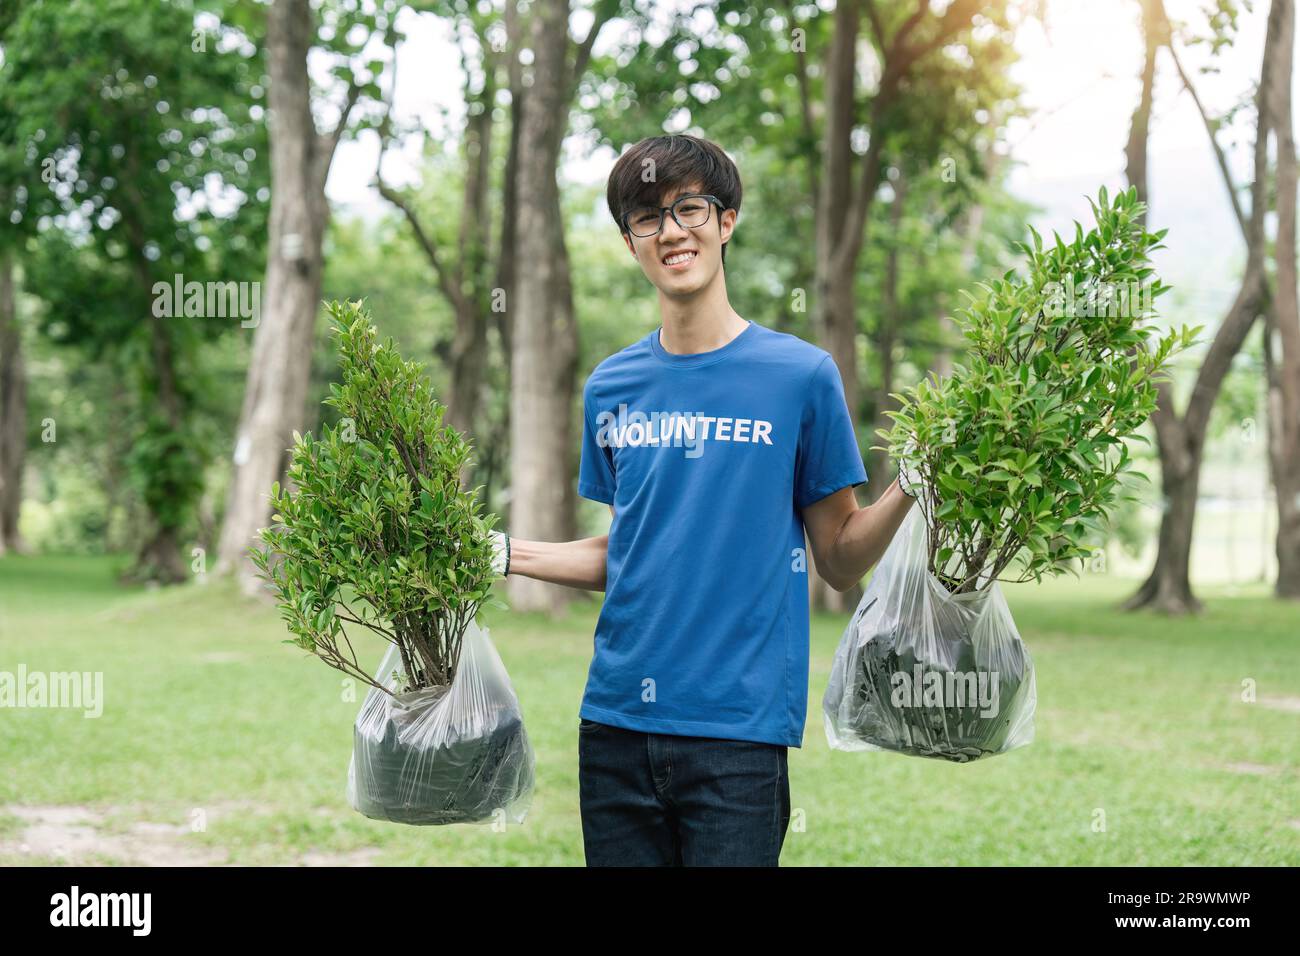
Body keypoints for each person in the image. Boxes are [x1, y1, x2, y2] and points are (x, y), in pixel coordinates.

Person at [491, 134, 918, 866]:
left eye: (689, 208)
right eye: (648, 218)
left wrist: (911, 484)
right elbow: (633, 553)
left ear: (726, 221)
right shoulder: (612, 387)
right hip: (616, 726)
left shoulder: (799, 377)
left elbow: (841, 559)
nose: (671, 231)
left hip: (738, 735)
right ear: (632, 243)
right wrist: (503, 553)